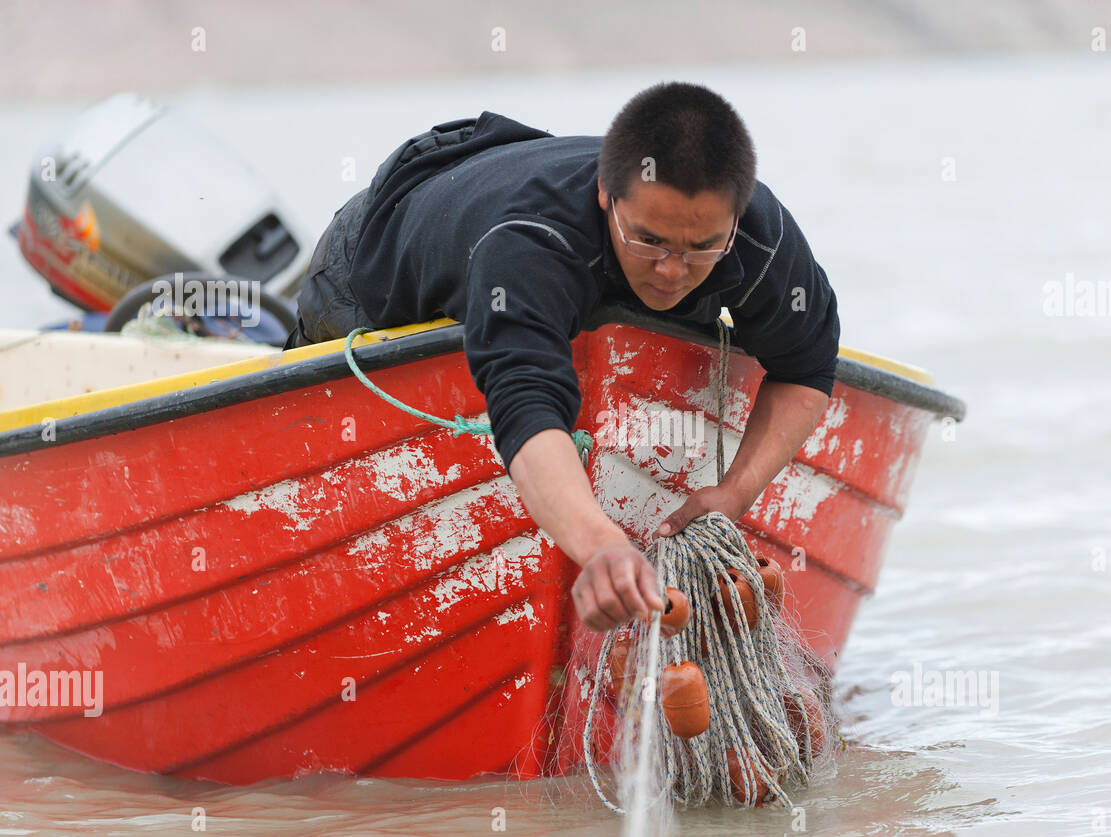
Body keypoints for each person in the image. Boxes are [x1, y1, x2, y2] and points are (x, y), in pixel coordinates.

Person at [286, 81, 841, 633]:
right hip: (387, 239)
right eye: (648, 240)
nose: (672, 270)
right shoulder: (528, 242)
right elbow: (527, 401)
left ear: (737, 219)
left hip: (530, 195)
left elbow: (807, 366)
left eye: (701, 249)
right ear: (606, 194)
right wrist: (599, 543)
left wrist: (737, 490)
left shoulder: (764, 240)